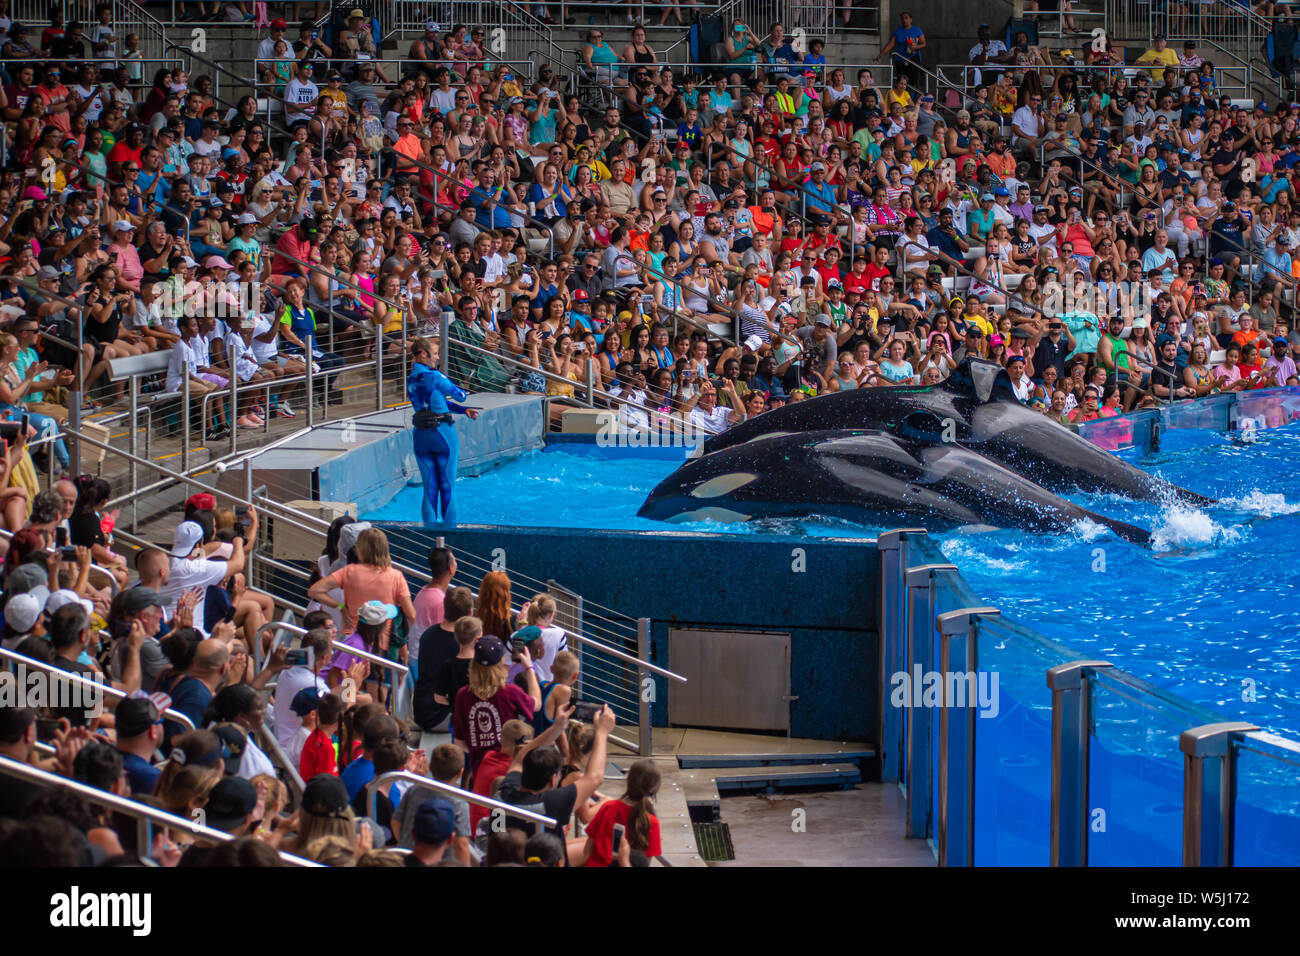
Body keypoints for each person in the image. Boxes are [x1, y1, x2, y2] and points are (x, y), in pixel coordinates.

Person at [405, 336, 480, 526]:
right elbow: (461, 395)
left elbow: (438, 401)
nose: (437, 358)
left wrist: (463, 411)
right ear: (423, 353)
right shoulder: (435, 376)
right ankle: (450, 534)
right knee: (447, 486)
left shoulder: (411, 378)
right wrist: (460, 396)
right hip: (442, 433)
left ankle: (429, 535)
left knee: (429, 487)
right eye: (436, 353)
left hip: (421, 434)